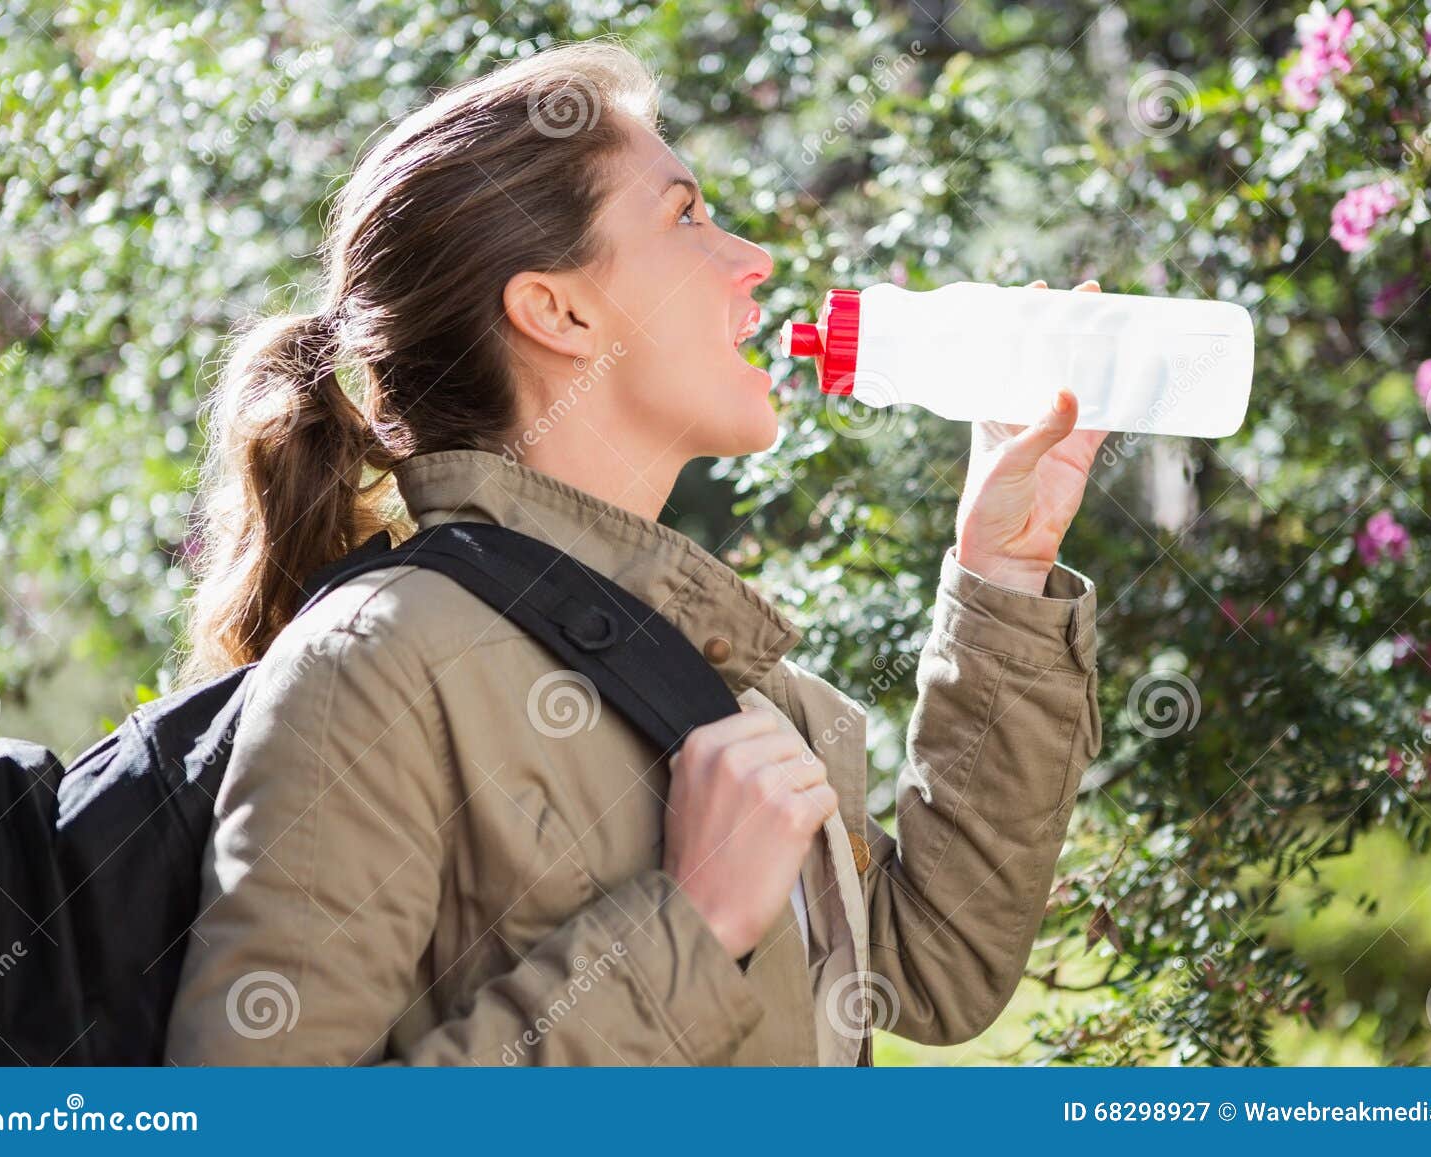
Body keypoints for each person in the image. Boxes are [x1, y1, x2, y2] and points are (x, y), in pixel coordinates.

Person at [164, 40, 1106, 1066]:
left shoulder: (712, 672)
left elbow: (937, 965)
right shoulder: (375, 662)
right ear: (556, 309)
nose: (755, 258)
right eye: (687, 216)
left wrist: (1002, 570)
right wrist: (688, 929)